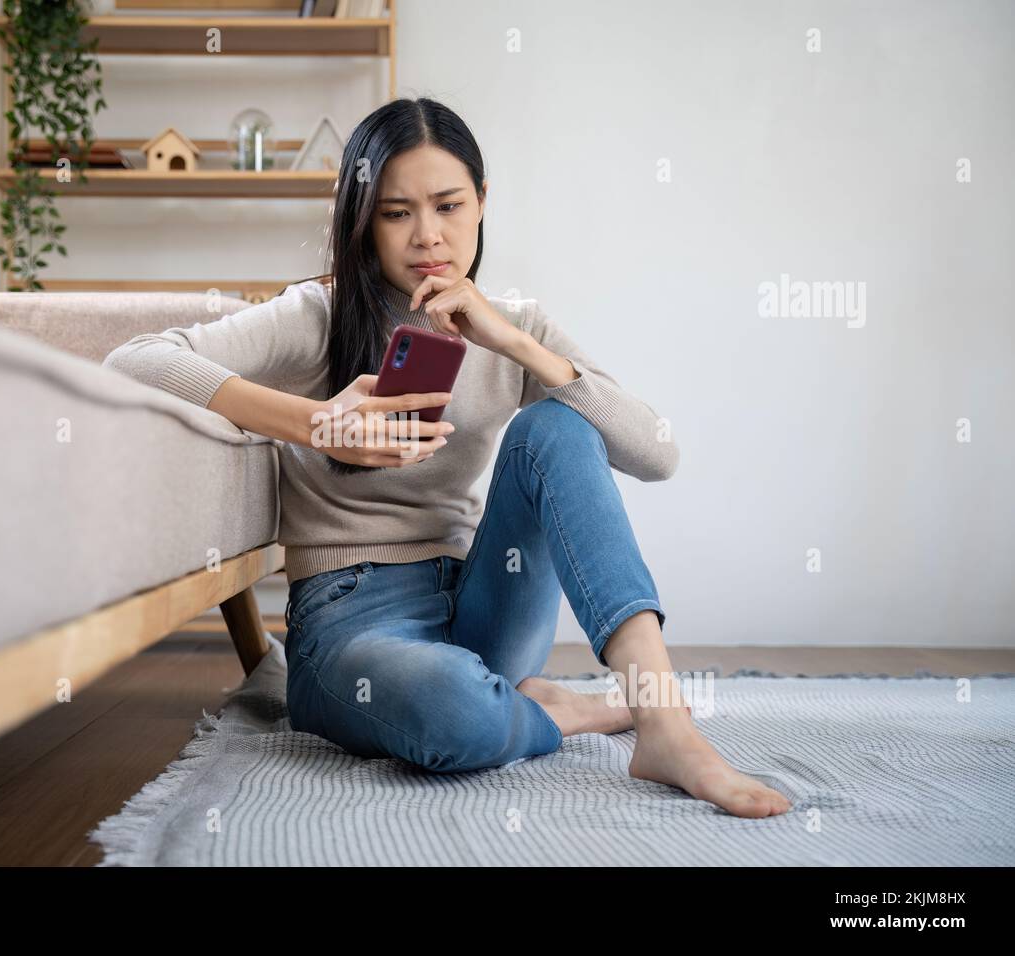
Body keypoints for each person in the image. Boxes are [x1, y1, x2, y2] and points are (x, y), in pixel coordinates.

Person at [104, 96, 791, 818]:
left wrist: (518, 346)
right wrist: (317, 423)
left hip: (482, 602)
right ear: (363, 217)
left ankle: (666, 727)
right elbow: (134, 360)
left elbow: (658, 454)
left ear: (483, 203)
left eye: (449, 205)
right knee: (453, 714)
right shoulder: (315, 315)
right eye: (397, 211)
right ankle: (562, 712)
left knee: (556, 428)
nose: (427, 235)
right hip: (351, 621)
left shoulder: (513, 325)